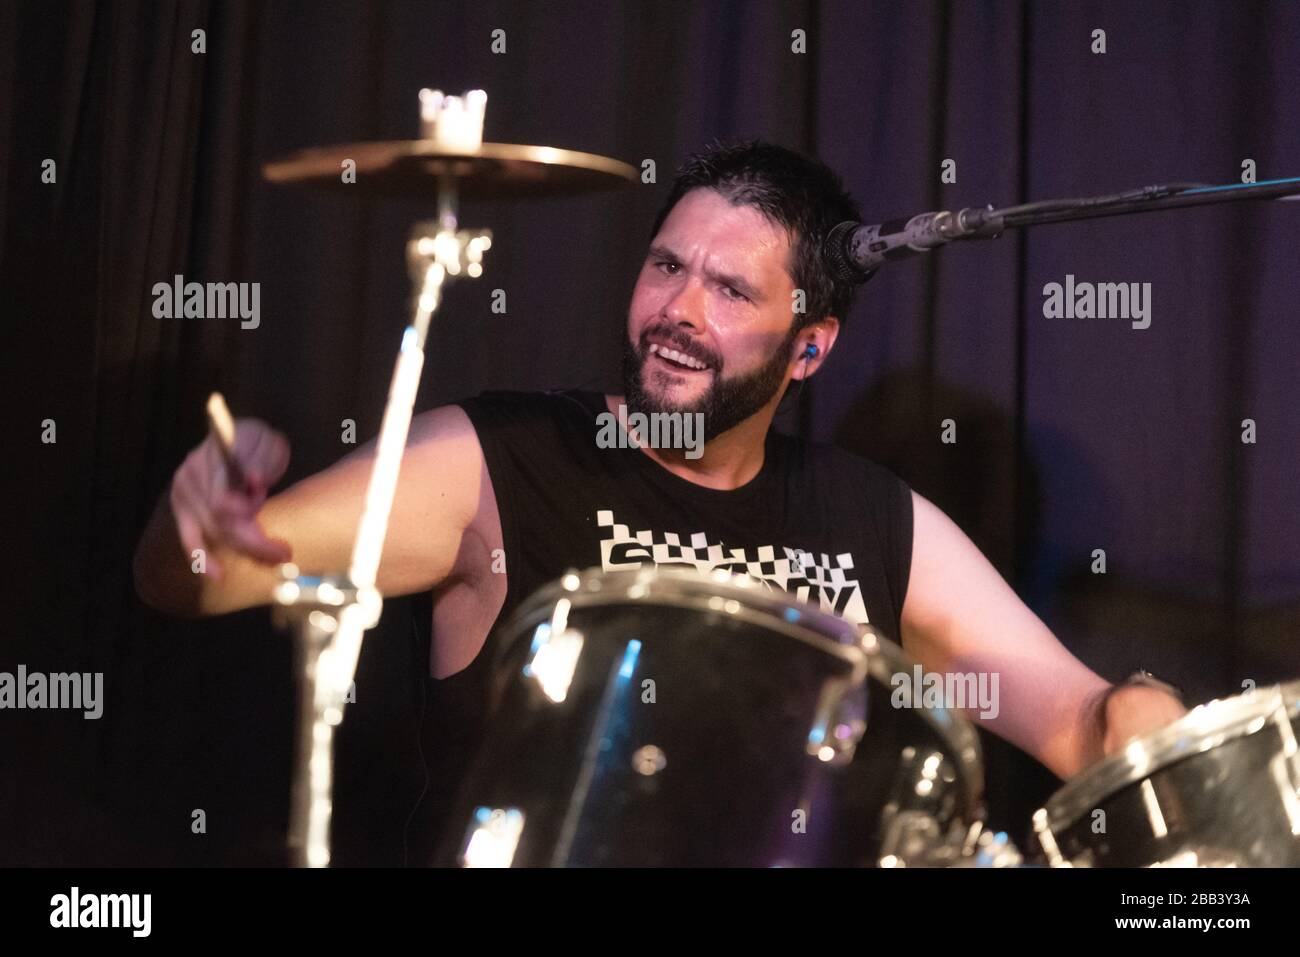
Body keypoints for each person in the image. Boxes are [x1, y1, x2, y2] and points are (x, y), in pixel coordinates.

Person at [133, 139, 1186, 843]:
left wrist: (1143, 716)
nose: (675, 310)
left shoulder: (871, 518)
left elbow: (1077, 722)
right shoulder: (497, 463)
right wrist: (201, 531)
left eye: (727, 289)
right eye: (664, 266)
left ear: (810, 349)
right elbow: (203, 579)